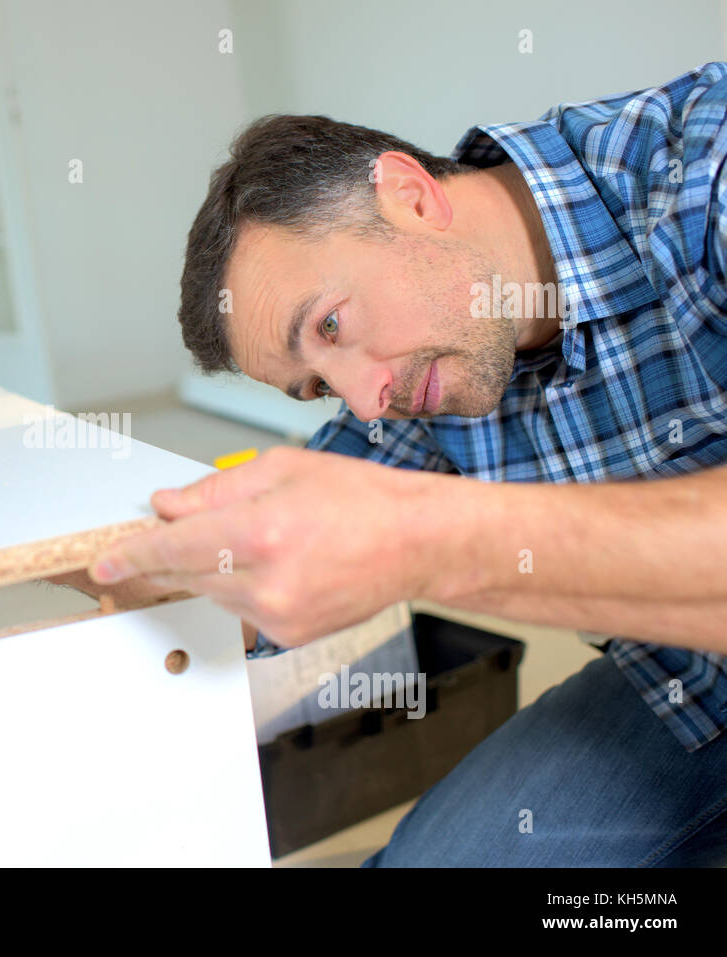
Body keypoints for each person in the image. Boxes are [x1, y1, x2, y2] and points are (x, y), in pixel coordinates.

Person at [90, 63, 727, 866]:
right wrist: (127, 562)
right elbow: (262, 548)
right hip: (690, 681)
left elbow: (405, 532)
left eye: (330, 324)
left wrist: (427, 543)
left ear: (412, 197)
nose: (366, 400)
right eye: (320, 386)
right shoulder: (426, 373)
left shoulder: (702, 170)